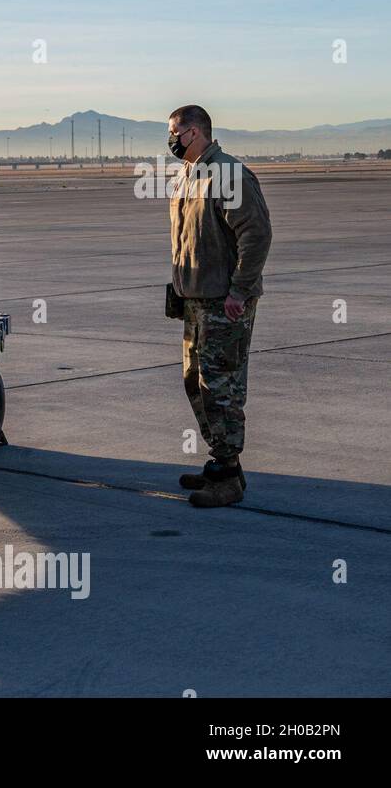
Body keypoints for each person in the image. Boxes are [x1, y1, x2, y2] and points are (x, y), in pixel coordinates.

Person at [168, 105, 272, 507]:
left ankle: (228, 478)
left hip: (223, 303)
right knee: (196, 383)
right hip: (196, 301)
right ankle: (222, 463)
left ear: (194, 132)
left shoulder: (228, 174)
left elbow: (257, 235)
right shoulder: (188, 176)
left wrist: (239, 292)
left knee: (222, 386)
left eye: (174, 132)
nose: (171, 141)